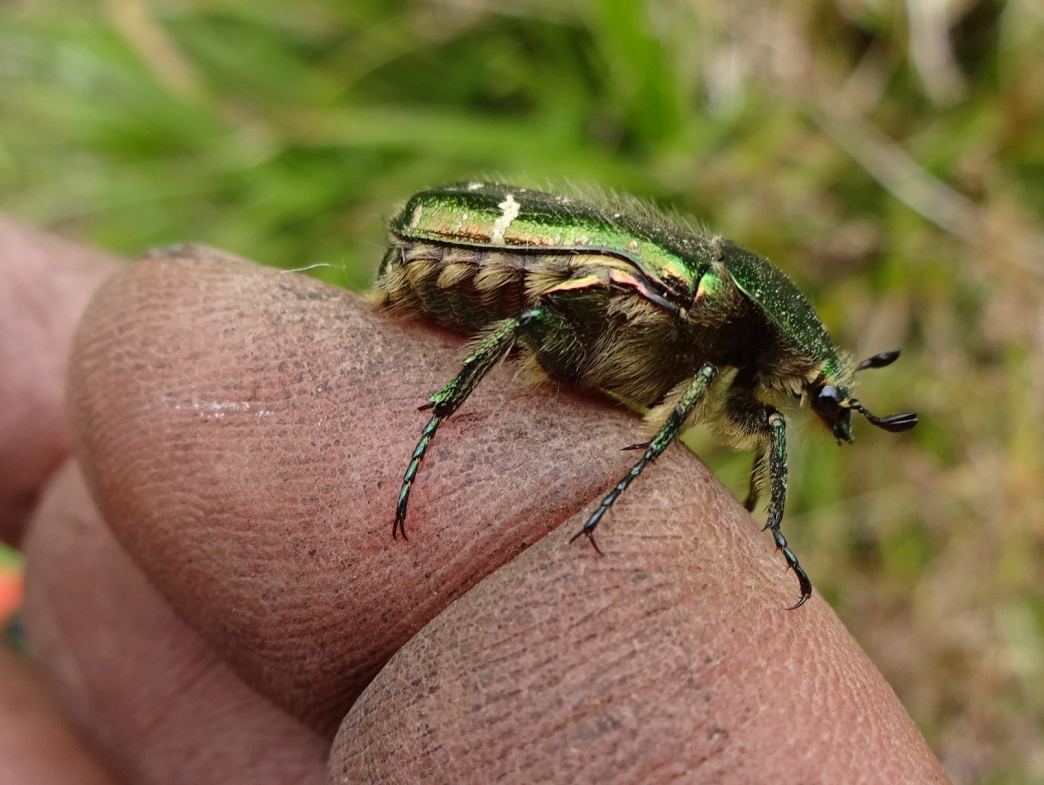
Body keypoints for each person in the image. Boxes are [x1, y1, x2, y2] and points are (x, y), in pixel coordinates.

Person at [0, 215, 951, 783]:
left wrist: (763, 526)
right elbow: (558, 325)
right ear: (769, 338)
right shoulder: (693, 317)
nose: (812, 402)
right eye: (818, 386)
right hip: (466, 251)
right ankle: (437, 416)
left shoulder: (745, 380)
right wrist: (648, 453)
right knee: (537, 321)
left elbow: (756, 415)